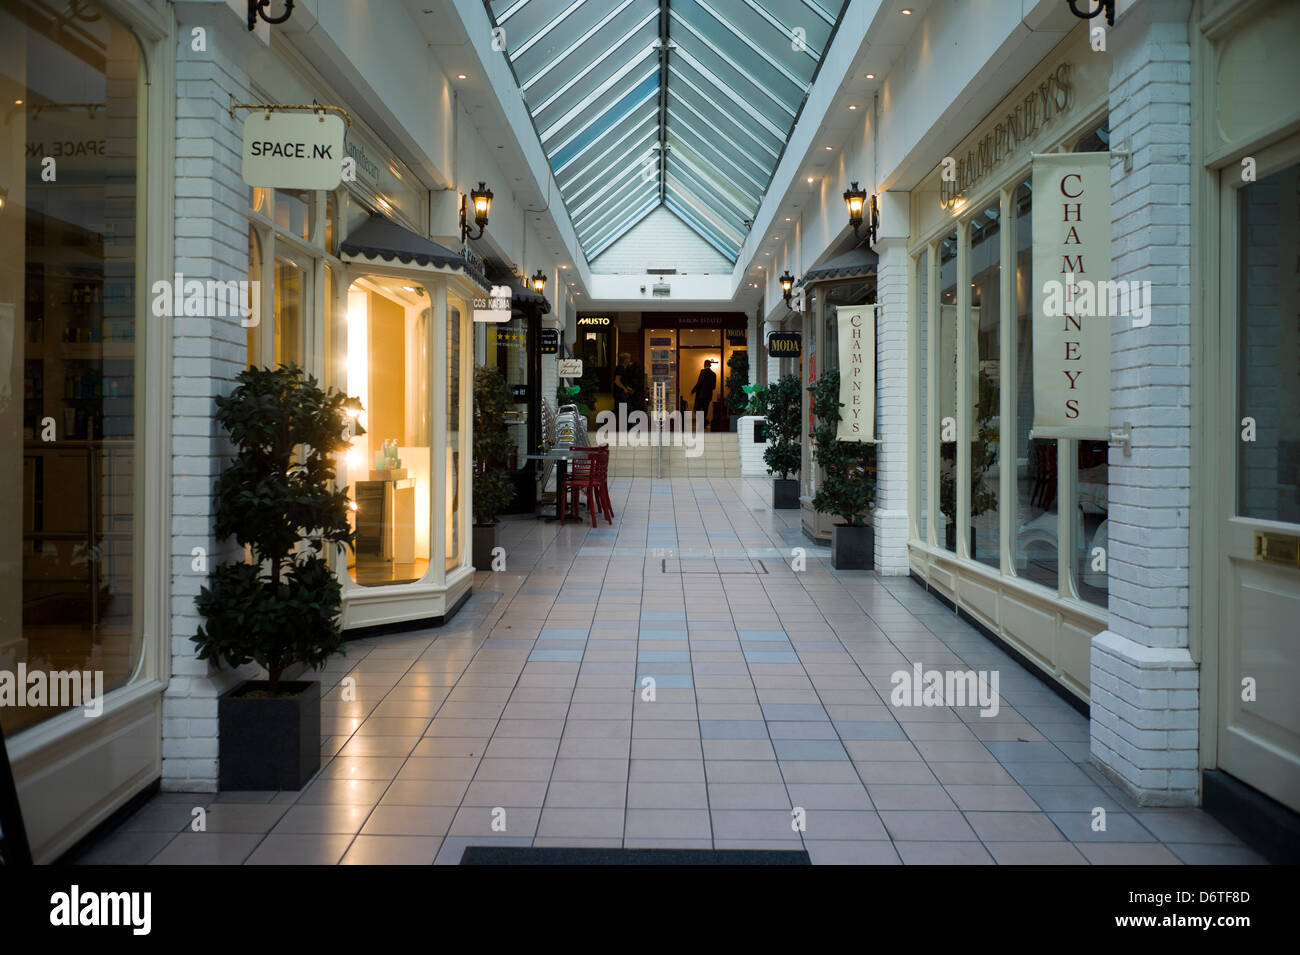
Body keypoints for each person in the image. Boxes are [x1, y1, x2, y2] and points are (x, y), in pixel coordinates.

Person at [690, 359, 717, 431]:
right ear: (710, 365)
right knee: (705, 410)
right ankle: (704, 423)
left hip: (700, 395)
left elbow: (699, 382)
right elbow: (714, 387)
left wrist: (693, 390)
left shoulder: (703, 372)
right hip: (708, 396)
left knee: (696, 409)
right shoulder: (714, 374)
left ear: (704, 365)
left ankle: (704, 422)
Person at [613, 352, 633, 429]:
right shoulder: (620, 369)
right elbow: (617, 381)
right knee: (625, 409)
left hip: (620, 392)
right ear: (625, 360)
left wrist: (627, 387)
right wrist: (624, 389)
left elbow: (622, 381)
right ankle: (627, 427)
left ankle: (626, 426)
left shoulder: (622, 368)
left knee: (621, 409)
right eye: (628, 359)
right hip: (620, 393)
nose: (629, 360)